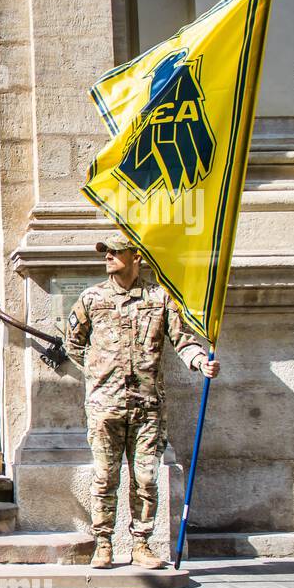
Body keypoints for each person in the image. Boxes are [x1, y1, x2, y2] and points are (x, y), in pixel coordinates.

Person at [64, 233, 220, 569]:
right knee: (105, 477)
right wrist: (98, 374)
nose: (108, 257)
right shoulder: (91, 298)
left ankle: (141, 543)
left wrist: (199, 362)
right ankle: (103, 543)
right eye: (105, 251)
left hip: (147, 407)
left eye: (116, 251)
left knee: (146, 478)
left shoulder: (159, 298)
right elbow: (73, 344)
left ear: (137, 256)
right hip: (105, 407)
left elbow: (183, 341)